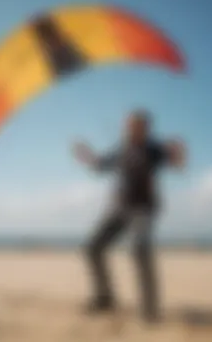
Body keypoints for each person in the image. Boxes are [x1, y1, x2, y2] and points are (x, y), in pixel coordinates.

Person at [72, 109, 186, 322]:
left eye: (136, 125)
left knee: (139, 250)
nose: (130, 129)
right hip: (118, 208)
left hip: (142, 209)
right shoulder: (121, 149)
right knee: (92, 247)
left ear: (146, 128)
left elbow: (179, 164)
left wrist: (180, 151)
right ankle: (105, 297)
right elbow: (99, 166)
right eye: (128, 125)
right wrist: (87, 156)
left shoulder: (154, 149)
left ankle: (149, 310)